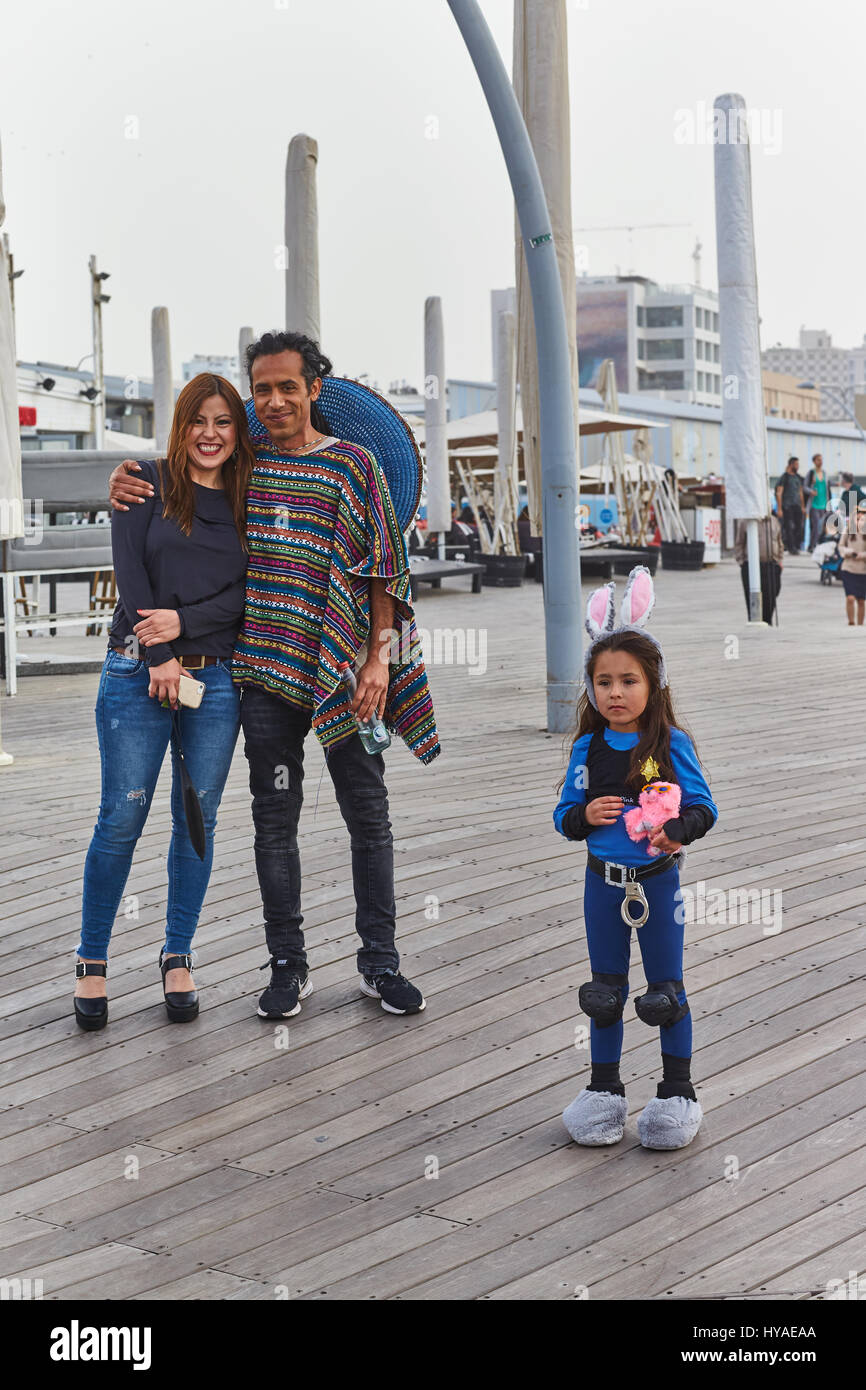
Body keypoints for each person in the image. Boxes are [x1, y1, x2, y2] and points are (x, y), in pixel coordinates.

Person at [109, 332, 439, 1022]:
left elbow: (385, 568)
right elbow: (174, 481)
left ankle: (380, 961)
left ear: (315, 388)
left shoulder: (355, 466)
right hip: (261, 667)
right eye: (262, 388)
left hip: (346, 668)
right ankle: (288, 965)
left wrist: (378, 658)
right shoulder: (244, 467)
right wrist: (118, 481)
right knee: (273, 819)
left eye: (288, 386)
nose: (276, 399)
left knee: (367, 815)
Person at [74, 375, 253, 1031]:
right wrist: (160, 655)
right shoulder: (142, 482)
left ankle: (178, 953)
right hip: (135, 672)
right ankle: (92, 959)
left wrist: (184, 625)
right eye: (198, 420)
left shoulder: (249, 498)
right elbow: (131, 577)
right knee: (121, 817)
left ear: (238, 432)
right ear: (180, 425)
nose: (210, 433)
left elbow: (251, 593)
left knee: (195, 818)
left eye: (224, 422)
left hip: (218, 680)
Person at [553, 567, 718, 1151]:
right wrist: (583, 818)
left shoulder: (670, 742)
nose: (614, 693)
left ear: (654, 685)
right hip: (602, 885)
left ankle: (677, 1093)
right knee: (604, 991)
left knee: (665, 991)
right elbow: (563, 815)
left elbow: (704, 806)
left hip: (657, 884)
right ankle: (603, 1093)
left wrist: (678, 829)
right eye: (603, 681)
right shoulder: (585, 747)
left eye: (628, 680)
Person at [733, 515, 783, 624]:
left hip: (771, 564)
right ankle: (757, 620)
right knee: (753, 597)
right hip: (751, 565)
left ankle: (767, 618)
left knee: (773, 592)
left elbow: (779, 541)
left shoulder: (773, 521)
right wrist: (742, 562)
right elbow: (739, 543)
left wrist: (779, 561)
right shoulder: (746, 521)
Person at [835, 499, 866, 625]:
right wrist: (850, 552)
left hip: (863, 570)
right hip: (848, 568)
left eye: (862, 519)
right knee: (850, 598)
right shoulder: (848, 531)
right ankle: (851, 622)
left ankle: (859, 624)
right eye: (857, 519)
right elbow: (840, 547)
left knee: (861, 601)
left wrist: (862, 555)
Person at [775, 457, 805, 555]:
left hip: (797, 506)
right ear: (791, 465)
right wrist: (779, 509)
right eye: (796, 464)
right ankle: (791, 547)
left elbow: (800, 492)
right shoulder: (784, 477)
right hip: (787, 506)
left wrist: (803, 506)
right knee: (789, 527)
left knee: (799, 526)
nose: (798, 466)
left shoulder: (797, 477)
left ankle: (797, 545)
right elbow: (779, 493)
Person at [803, 454, 828, 550]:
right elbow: (804, 487)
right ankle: (811, 546)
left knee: (821, 527)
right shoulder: (811, 473)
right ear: (814, 461)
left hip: (824, 504)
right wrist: (811, 491)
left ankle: (817, 545)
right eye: (818, 460)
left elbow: (827, 486)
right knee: (816, 525)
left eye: (821, 460)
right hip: (814, 505)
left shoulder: (825, 473)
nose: (820, 461)